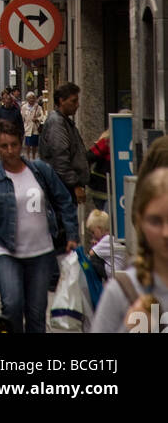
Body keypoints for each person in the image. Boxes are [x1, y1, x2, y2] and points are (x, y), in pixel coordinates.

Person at [0, 120, 78, 334]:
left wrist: (72, 233)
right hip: (7, 253)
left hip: (41, 254)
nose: (10, 151)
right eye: (4, 146)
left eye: (14, 145)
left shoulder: (40, 171)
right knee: (12, 306)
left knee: (37, 314)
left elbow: (64, 199)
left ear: (21, 143)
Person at [91, 167, 168, 332]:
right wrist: (128, 327)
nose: (165, 233)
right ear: (140, 223)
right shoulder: (121, 291)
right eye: (155, 221)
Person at [39, 82, 89, 207]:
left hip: (63, 188)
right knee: (65, 224)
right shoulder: (57, 123)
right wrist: (75, 185)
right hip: (61, 190)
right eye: (73, 101)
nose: (77, 105)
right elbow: (60, 159)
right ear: (62, 101)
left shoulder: (63, 121)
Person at [85, 208, 127, 280]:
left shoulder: (107, 239)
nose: (93, 236)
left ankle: (89, 275)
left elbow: (91, 253)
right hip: (118, 271)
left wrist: (94, 246)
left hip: (112, 272)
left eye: (93, 232)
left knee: (90, 261)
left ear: (99, 229)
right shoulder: (112, 238)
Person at [87, 130, 110, 210]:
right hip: (102, 189)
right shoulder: (107, 141)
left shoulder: (108, 139)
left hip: (103, 188)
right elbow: (89, 157)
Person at [22, 91, 45, 160]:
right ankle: (28, 156)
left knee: (34, 144)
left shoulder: (38, 107)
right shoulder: (24, 107)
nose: (31, 100)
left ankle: (34, 156)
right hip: (27, 127)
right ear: (27, 99)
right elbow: (22, 117)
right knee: (28, 144)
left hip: (35, 127)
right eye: (30, 98)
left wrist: (37, 119)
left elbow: (42, 116)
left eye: (33, 98)